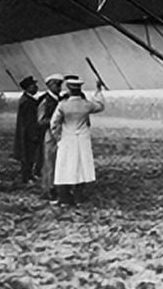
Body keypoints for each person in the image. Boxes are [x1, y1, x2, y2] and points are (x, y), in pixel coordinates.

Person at [50, 77, 105, 205]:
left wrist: (58, 137)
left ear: (69, 89)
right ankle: (79, 197)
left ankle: (64, 198)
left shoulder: (63, 105)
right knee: (81, 167)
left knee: (65, 167)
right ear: (80, 89)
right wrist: (98, 91)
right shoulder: (86, 105)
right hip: (82, 140)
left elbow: (54, 123)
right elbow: (100, 106)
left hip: (67, 139)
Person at [36, 73, 64, 203]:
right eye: (56, 84)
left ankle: (55, 187)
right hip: (50, 135)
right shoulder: (45, 100)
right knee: (50, 162)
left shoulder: (58, 99)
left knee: (57, 162)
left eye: (60, 85)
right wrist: (56, 120)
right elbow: (41, 121)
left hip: (59, 134)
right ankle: (49, 188)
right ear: (49, 85)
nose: (59, 87)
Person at [12, 75, 42, 184]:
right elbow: (29, 121)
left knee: (28, 154)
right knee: (27, 155)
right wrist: (33, 134)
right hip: (27, 133)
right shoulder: (27, 102)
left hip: (26, 132)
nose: (36, 87)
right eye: (33, 85)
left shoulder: (27, 99)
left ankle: (29, 175)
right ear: (28, 88)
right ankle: (26, 177)